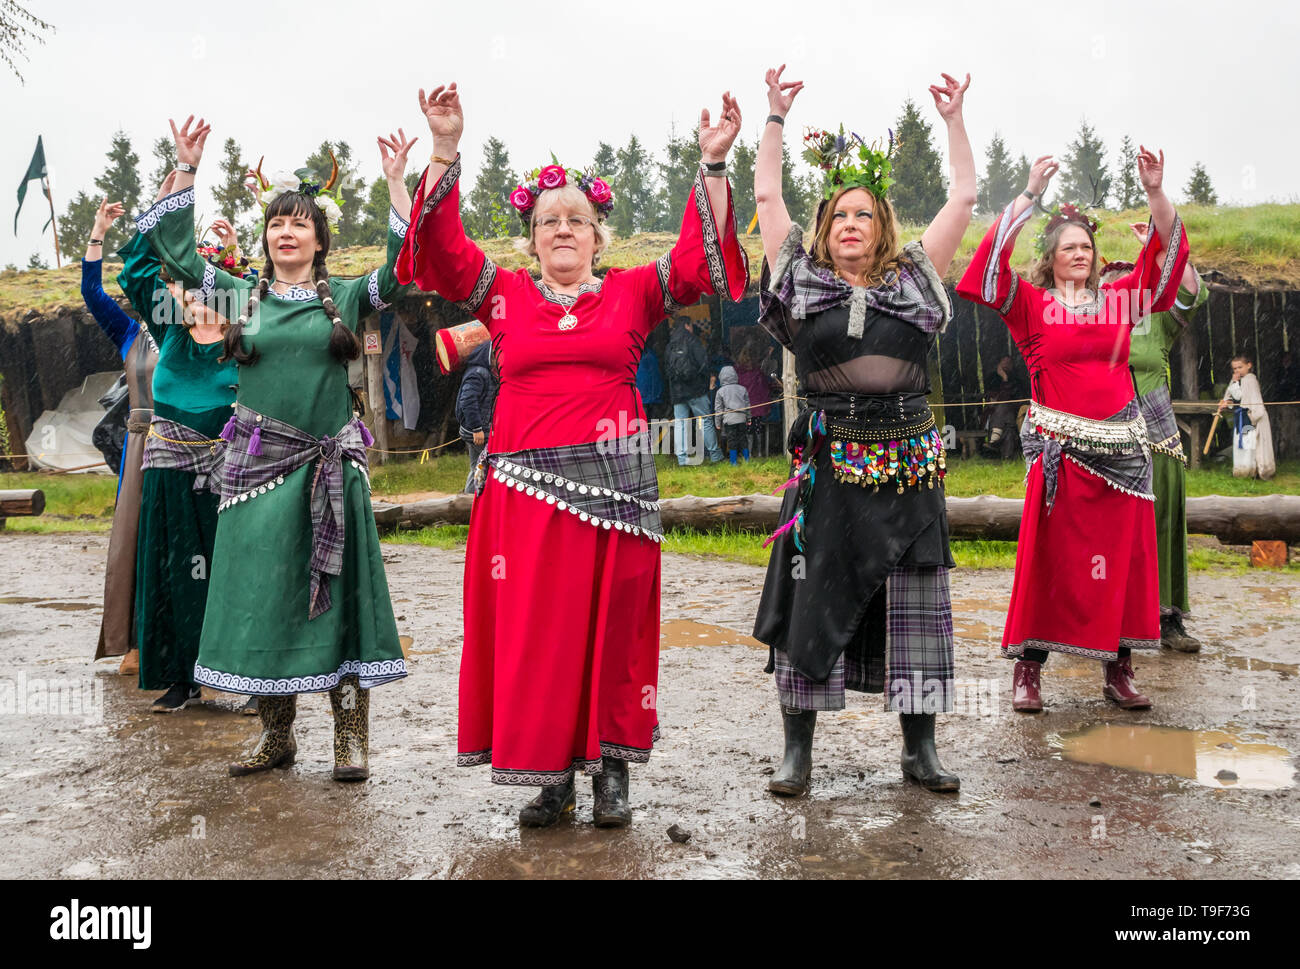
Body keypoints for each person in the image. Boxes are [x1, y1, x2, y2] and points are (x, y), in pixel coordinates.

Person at [396, 82, 748, 827]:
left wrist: (713, 165)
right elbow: (442, 254)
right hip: (523, 498)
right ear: (531, 239)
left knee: (614, 629)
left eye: (577, 220)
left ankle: (611, 769)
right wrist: (445, 147)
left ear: (598, 237)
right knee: (540, 637)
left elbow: (697, 264)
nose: (562, 229)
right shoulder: (502, 297)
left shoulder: (632, 292)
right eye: (548, 220)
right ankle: (551, 772)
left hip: (615, 491)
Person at [138, 115, 412, 779]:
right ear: (265, 236)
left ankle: (350, 739)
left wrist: (397, 184)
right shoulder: (238, 297)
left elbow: (401, 271)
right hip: (256, 473)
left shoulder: (345, 296)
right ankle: (277, 735)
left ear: (320, 237)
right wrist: (186, 169)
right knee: (262, 600)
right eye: (276, 223)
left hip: (330, 471)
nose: (286, 232)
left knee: (341, 604)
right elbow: (178, 257)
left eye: (299, 223)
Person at [752, 66, 975, 796]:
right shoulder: (799, 278)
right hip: (827, 472)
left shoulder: (916, 279)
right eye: (840, 215)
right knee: (809, 597)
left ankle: (920, 750)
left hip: (908, 469)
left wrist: (954, 121)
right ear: (824, 229)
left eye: (865, 215)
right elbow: (766, 196)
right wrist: (775, 117)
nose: (851, 224)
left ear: (882, 228)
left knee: (916, 607)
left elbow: (963, 196)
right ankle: (797, 754)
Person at [956, 145, 1189, 713]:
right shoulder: (1030, 304)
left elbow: (1169, 262)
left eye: (1086, 246)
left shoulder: (1121, 300)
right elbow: (987, 270)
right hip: (1061, 455)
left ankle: (1119, 669)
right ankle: (1029, 670)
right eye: (1069, 247)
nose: (1080, 253)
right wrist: (1028, 195)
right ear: (1051, 258)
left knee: (1121, 563)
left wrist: (1155, 192)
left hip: (1124, 458)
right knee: (1049, 563)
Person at [128, 196, 244, 713]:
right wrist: (169, 194)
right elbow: (137, 270)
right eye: (189, 288)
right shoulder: (169, 332)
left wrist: (236, 254)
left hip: (230, 475)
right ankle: (180, 676)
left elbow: (266, 299)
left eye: (206, 286)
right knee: (178, 572)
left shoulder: (244, 338)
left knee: (233, 570)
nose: (196, 296)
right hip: (170, 475)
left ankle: (249, 676)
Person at [1105, 220, 1209, 652]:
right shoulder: (1088, 321)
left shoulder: (1158, 321)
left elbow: (1192, 292)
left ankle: (1168, 619)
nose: (1118, 288)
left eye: (1128, 279)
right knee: (1109, 532)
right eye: (1109, 284)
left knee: (1163, 522)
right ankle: (1106, 620)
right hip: (1106, 440)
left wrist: (1165, 250)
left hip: (1158, 439)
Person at [82, 196, 159, 678]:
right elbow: (92, 292)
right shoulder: (132, 333)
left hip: (194, 443)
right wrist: (98, 233)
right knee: (135, 543)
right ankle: (133, 641)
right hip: (140, 446)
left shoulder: (199, 326)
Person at [667, 316, 724, 464]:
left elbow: (667, 368)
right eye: (691, 325)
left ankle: (682, 459)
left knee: (680, 423)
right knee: (705, 420)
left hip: (677, 392)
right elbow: (703, 364)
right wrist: (705, 382)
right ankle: (715, 455)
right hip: (695, 390)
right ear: (687, 325)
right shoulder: (693, 341)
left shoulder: (670, 344)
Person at [1220, 355, 1275, 480]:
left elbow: (1240, 397)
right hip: (1240, 417)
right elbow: (1234, 399)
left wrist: (1234, 383)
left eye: (1240, 367)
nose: (1237, 371)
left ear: (1249, 365)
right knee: (1241, 443)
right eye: (1234, 368)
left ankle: (1251, 470)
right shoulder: (1238, 380)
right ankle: (1242, 471)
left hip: (1249, 418)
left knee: (1249, 443)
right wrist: (1226, 403)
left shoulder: (1250, 380)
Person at [456, 341, 497, 493]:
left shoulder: (485, 372)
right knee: (486, 466)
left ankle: (468, 500)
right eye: (496, 356)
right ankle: (474, 499)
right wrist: (477, 428)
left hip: (477, 429)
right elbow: (467, 401)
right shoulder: (478, 373)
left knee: (476, 467)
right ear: (489, 356)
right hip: (476, 430)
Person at [982, 354, 1026, 459]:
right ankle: (1007, 456)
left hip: (1013, 412)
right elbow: (991, 397)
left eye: (1008, 363)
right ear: (999, 364)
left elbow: (1008, 398)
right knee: (1008, 427)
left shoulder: (1016, 380)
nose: (1006, 365)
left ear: (1012, 365)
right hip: (993, 413)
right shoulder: (992, 378)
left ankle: (995, 439)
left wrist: (1005, 379)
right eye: (1004, 362)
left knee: (1005, 408)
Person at [713, 365, 752, 463]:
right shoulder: (743, 389)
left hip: (729, 420)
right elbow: (747, 406)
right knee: (743, 439)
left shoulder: (720, 391)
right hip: (742, 418)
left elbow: (718, 410)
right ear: (735, 375)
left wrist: (717, 423)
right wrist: (749, 418)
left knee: (732, 440)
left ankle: (733, 462)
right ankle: (747, 460)